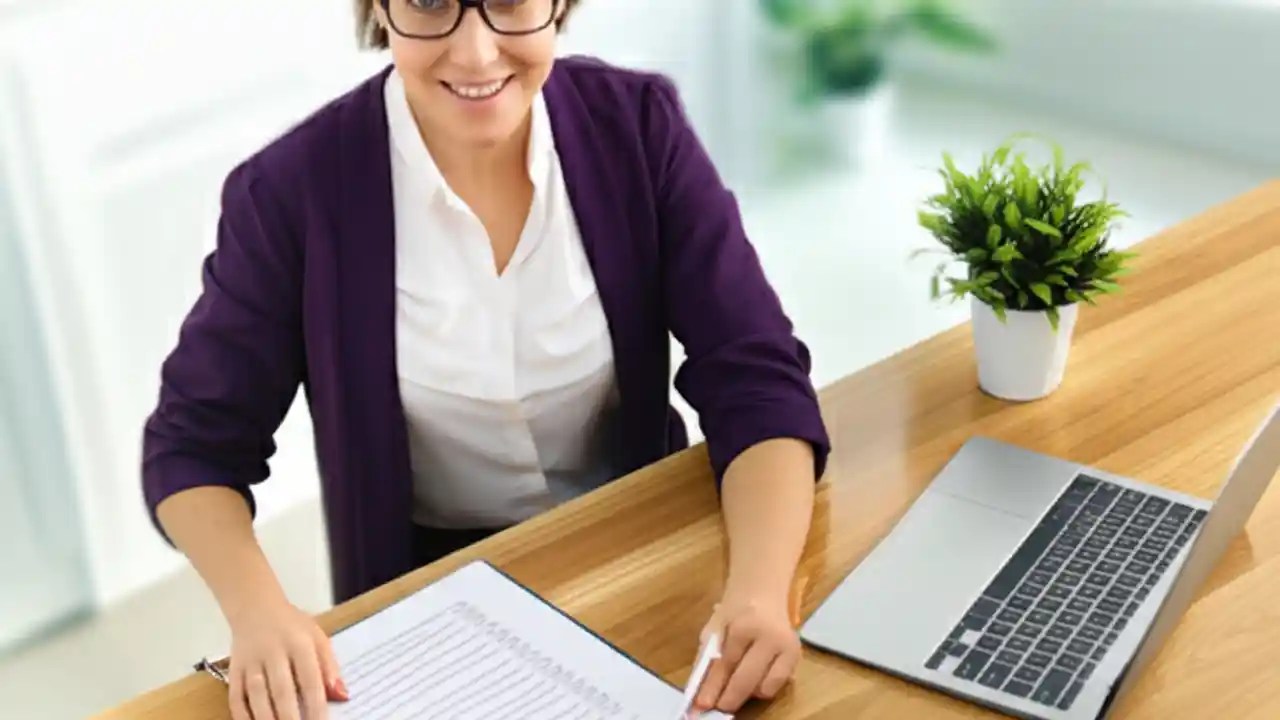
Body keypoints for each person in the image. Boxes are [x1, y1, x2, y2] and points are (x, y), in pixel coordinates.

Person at [141, 1, 831, 718]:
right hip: (432, 602)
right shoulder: (289, 192)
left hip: (646, 553)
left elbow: (754, 375)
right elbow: (193, 449)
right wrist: (259, 612)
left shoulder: (637, 126)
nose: (475, 53)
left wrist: (758, 590)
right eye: (430, 2)